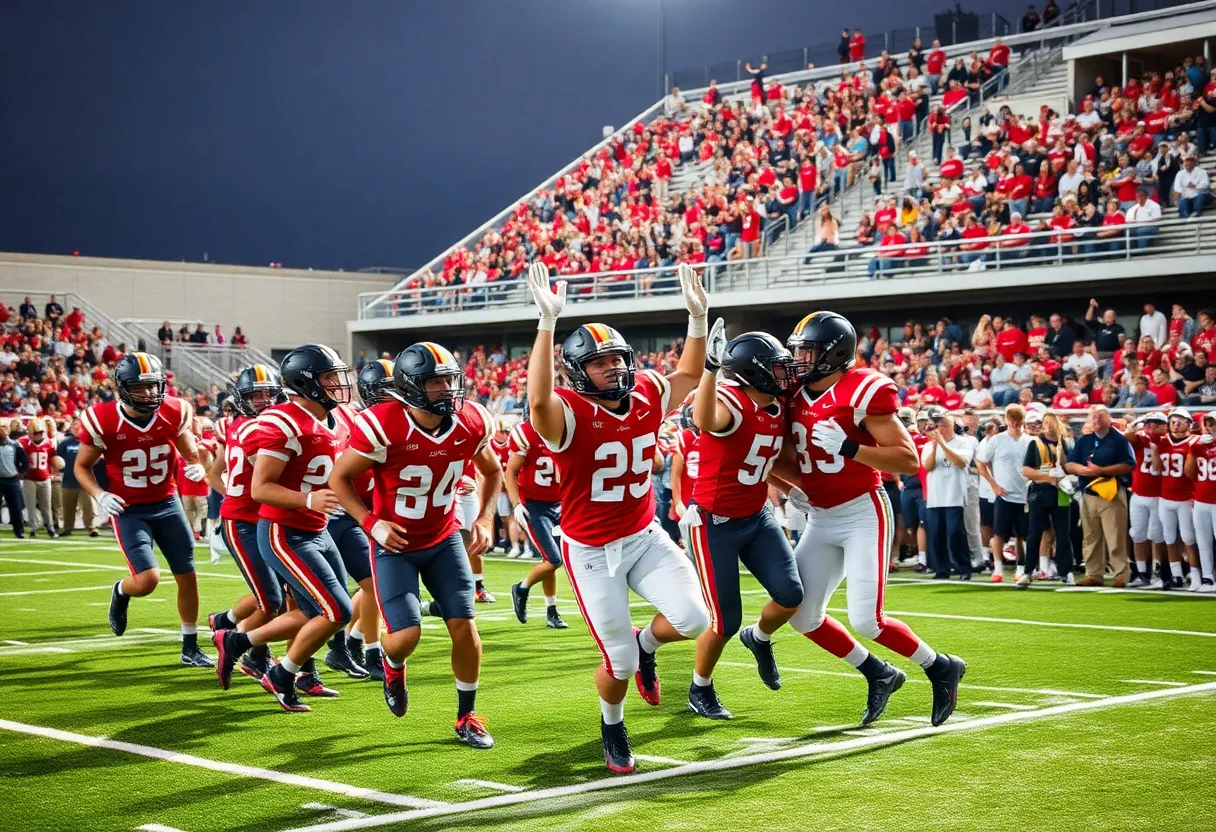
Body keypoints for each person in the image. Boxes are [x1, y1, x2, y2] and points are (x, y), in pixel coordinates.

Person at [523, 262, 711, 773]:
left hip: (645, 535)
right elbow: (538, 398)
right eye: (602, 363)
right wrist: (545, 324)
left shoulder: (648, 393)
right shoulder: (566, 411)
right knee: (618, 663)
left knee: (694, 619)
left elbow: (690, 376)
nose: (614, 368)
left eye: (618, 359)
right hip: (590, 551)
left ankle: (647, 644)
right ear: (580, 372)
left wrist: (697, 318)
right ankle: (613, 724)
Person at [774, 313, 965, 729]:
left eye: (806, 351)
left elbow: (908, 460)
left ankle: (940, 666)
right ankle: (878, 672)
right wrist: (790, 487)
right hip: (820, 516)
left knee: (867, 619)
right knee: (802, 616)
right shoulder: (791, 393)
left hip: (863, 510)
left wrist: (849, 447)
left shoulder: (861, 389)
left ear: (833, 355)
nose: (797, 359)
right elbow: (783, 458)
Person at [329, 342, 500, 749]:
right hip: (395, 544)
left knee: (466, 630)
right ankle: (391, 663)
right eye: (434, 382)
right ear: (409, 387)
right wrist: (371, 522)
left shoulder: (472, 420)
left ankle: (467, 716)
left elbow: (492, 471)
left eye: (449, 380)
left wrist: (485, 518)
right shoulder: (382, 423)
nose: (446, 390)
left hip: (443, 538)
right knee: (405, 637)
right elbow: (339, 479)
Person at [211, 345, 355, 711]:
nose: (337, 384)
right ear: (306, 382)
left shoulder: (338, 419)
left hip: (317, 528)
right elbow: (261, 488)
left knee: (316, 614)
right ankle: (280, 674)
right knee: (336, 611)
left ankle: (241, 644)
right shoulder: (282, 420)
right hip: (283, 531)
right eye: (329, 377)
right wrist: (309, 499)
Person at [682, 331, 804, 721]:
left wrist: (796, 489)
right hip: (713, 523)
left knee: (790, 594)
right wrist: (711, 371)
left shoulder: (778, 404)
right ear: (754, 372)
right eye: (776, 367)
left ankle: (761, 637)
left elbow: (766, 460)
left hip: (756, 516)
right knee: (724, 620)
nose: (784, 374)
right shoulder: (730, 401)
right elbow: (704, 419)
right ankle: (699, 687)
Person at [74, 352, 213, 667]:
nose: (149, 393)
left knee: (187, 573)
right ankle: (121, 591)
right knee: (147, 580)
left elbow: (193, 455)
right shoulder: (102, 418)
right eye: (140, 387)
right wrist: (99, 494)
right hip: (129, 509)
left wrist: (197, 467)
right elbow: (82, 467)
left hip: (167, 502)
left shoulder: (176, 410)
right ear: (122, 387)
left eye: (153, 385)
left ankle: (190, 646)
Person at [205, 364, 288, 684]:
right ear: (241, 398)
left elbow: (216, 475)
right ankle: (237, 641)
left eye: (270, 393)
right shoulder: (257, 428)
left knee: (274, 594)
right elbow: (216, 473)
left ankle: (231, 627)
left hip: (267, 519)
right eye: (256, 395)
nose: (265, 400)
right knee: (271, 601)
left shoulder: (237, 426)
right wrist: (235, 499)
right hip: (242, 522)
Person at [506, 418, 569, 630]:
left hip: (560, 503)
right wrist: (516, 504)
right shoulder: (526, 433)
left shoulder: (566, 426)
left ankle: (551, 611)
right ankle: (521, 589)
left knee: (552, 560)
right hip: (534, 505)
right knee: (553, 559)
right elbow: (511, 471)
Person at [1064, 405, 1135, 587]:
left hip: (1111, 491)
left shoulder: (1119, 440)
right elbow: (1069, 464)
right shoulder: (1084, 440)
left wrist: (1101, 470)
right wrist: (1079, 469)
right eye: (1093, 418)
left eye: (1100, 417)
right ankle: (1094, 574)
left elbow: (1129, 464)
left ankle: (1121, 574)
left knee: (1115, 535)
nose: (1096, 421)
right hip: (1088, 493)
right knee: (1090, 536)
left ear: (1108, 419)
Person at [977, 404, 1032, 583]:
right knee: (998, 533)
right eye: (1013, 421)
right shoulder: (997, 440)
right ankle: (998, 568)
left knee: (1022, 535)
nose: (1016, 424)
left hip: (1024, 494)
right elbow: (980, 463)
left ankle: (1020, 569)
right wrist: (994, 485)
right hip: (1003, 495)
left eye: (1019, 421)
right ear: (1007, 420)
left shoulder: (1030, 441)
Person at [1020, 411, 1075, 587]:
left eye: (1051, 421)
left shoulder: (1065, 444)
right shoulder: (1035, 443)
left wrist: (1064, 469)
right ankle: (1028, 571)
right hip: (1039, 491)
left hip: (1061, 492)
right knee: (1035, 532)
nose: (1048, 425)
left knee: (1063, 534)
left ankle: (1065, 571)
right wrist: (1048, 478)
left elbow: (1069, 466)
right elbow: (1026, 470)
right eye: (1046, 422)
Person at [922, 405, 974, 582]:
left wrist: (943, 444)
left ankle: (963, 567)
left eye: (942, 425)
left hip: (954, 495)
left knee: (955, 533)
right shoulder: (929, 446)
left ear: (950, 425)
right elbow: (928, 466)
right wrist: (936, 446)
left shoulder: (964, 442)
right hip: (935, 496)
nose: (939, 429)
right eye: (937, 426)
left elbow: (961, 462)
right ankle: (942, 568)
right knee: (936, 534)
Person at [1153, 408, 1201, 590]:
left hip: (1186, 497)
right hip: (1166, 497)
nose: (1176, 424)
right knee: (1169, 537)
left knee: (1189, 538)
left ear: (1189, 424)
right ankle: (1177, 575)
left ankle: (1195, 575)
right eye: (1173, 421)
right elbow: (1157, 469)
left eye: (1180, 421)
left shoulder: (1194, 441)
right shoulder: (1163, 441)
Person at [1123, 412, 1169, 587]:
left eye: (1157, 424)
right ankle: (1142, 573)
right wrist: (1136, 423)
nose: (1153, 428)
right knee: (1138, 533)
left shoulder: (1166, 441)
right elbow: (1125, 437)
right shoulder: (1140, 438)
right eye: (1150, 424)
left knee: (1157, 535)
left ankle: (1160, 571)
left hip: (1159, 495)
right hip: (1139, 493)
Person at [1185, 412, 1216, 591]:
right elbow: (1189, 472)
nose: (1212, 428)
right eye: (1209, 424)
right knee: (1203, 541)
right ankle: (1207, 578)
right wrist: (1193, 449)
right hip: (1201, 499)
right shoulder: (1198, 444)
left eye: (1214, 424)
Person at [56, 420, 98, 536]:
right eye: (73, 426)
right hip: (69, 479)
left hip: (85, 480)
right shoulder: (65, 443)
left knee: (88, 506)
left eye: (78, 426)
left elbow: (97, 458)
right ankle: (67, 528)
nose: (75, 428)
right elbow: (57, 458)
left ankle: (91, 528)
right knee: (68, 506)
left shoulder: (90, 442)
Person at [18, 419, 56, 538]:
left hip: (45, 478)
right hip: (29, 478)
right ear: (29, 432)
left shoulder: (49, 443)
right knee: (30, 505)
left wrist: (53, 473)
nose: (38, 436)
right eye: (35, 433)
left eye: (40, 433)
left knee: (46, 505)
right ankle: (33, 528)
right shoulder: (22, 442)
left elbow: (53, 460)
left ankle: (50, 527)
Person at [489, 419, 521, 560]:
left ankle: (517, 544)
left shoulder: (512, 445)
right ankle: (507, 541)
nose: (506, 435)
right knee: (504, 517)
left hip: (512, 485)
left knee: (513, 517)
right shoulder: (489, 445)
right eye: (504, 432)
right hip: (499, 487)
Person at [0, 422, 28, 538]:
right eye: (1, 427)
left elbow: (25, 460)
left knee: (16, 506)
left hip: (12, 479)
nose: (3, 429)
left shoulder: (15, 445)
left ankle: (19, 530)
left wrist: (22, 473)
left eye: (5, 427)